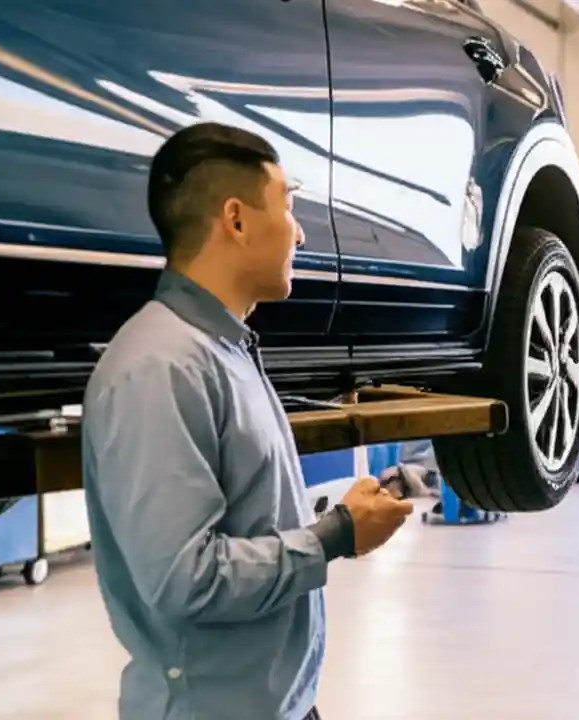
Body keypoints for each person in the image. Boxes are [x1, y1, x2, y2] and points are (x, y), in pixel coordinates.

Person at [80, 122, 415, 720]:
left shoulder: (224, 351)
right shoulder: (160, 367)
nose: (300, 229)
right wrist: (336, 535)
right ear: (235, 219)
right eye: (288, 204)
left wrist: (341, 515)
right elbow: (186, 579)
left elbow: (246, 522)